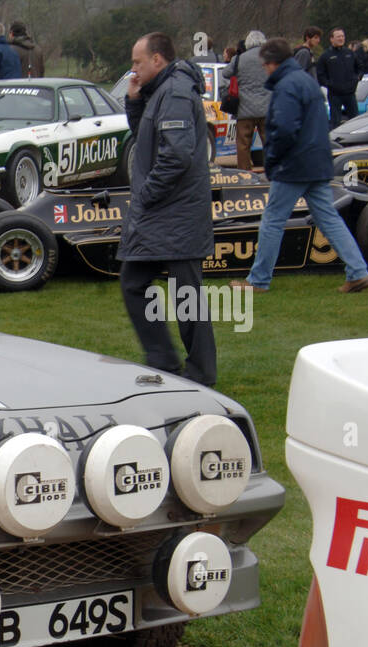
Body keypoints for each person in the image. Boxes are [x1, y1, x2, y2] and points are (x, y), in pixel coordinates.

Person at [233, 39, 368, 295]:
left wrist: (272, 161)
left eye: (265, 64)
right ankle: (358, 271)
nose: (264, 69)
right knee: (328, 218)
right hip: (317, 161)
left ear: (273, 63)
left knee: (272, 220)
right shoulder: (306, 81)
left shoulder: (286, 87)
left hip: (294, 165)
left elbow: (284, 130)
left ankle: (258, 280)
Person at [118, 33, 216, 386]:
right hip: (164, 213)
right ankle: (164, 362)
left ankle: (200, 373)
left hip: (175, 212)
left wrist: (145, 195)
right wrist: (134, 102)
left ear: (157, 60)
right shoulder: (160, 91)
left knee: (186, 294)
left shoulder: (174, 92)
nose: (134, 70)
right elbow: (149, 137)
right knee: (135, 282)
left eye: (138, 62)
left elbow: (176, 155)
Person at [223, 31, 270, 170]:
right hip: (266, 108)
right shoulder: (270, 58)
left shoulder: (239, 59)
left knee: (243, 145)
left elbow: (225, 73)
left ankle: (245, 173)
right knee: (270, 143)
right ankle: (272, 172)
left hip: (244, 109)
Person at [317, 28, 361, 126]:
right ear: (331, 39)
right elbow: (320, 75)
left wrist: (356, 79)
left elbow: (360, 68)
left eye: (342, 36)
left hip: (350, 94)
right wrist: (330, 84)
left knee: (356, 122)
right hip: (335, 95)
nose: (341, 38)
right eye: (338, 37)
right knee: (335, 122)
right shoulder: (325, 56)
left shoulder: (350, 53)